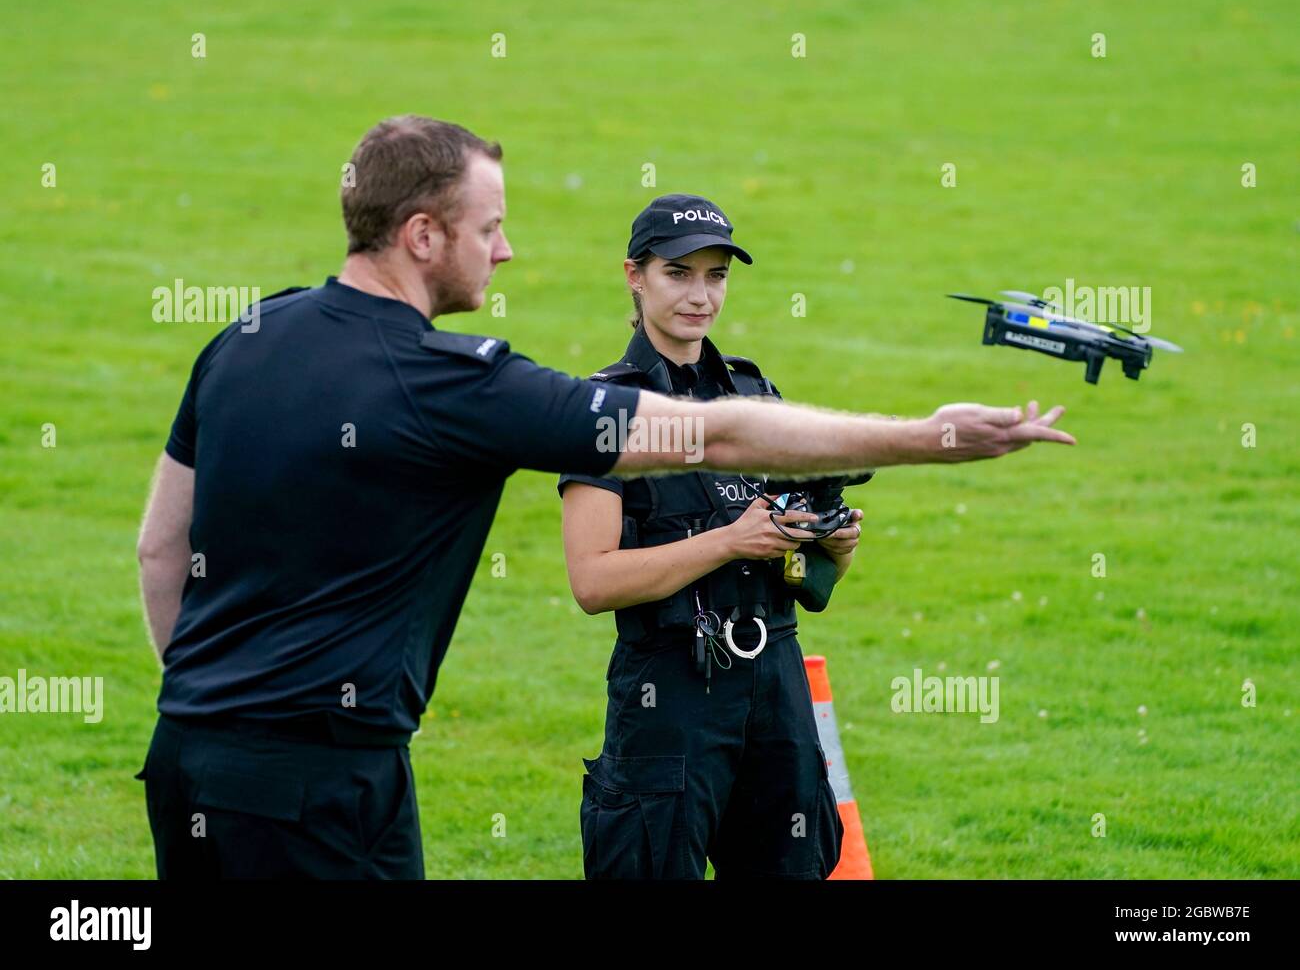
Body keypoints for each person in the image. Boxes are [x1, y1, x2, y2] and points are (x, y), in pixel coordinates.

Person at [135, 114, 1075, 880]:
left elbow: (158, 550)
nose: (507, 251)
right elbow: (712, 434)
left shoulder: (242, 340)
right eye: (489, 227)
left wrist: (217, 708)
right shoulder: (457, 384)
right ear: (423, 235)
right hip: (320, 783)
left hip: (192, 759)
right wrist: (931, 437)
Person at [559, 193, 867, 879]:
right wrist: (728, 541)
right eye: (679, 273)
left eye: (717, 275)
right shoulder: (604, 409)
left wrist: (830, 550)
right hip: (668, 688)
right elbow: (592, 579)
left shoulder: (756, 397)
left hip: (776, 683)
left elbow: (798, 569)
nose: (701, 295)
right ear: (634, 275)